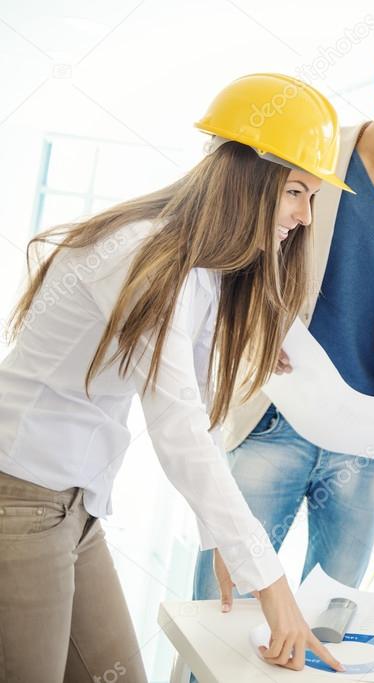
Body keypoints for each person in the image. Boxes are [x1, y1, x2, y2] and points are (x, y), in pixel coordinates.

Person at [0, 73, 348, 681]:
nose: (302, 215)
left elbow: (203, 416)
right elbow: (177, 427)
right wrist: (268, 580)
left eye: (311, 197)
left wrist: (223, 541)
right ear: (245, 175)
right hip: (21, 499)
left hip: (74, 511)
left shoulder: (204, 270)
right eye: (295, 191)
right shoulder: (148, 255)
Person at [192, 23, 374, 604]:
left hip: (368, 439)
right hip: (272, 417)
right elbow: (239, 254)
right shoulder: (310, 156)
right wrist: (252, 329)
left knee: (328, 621)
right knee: (220, 606)